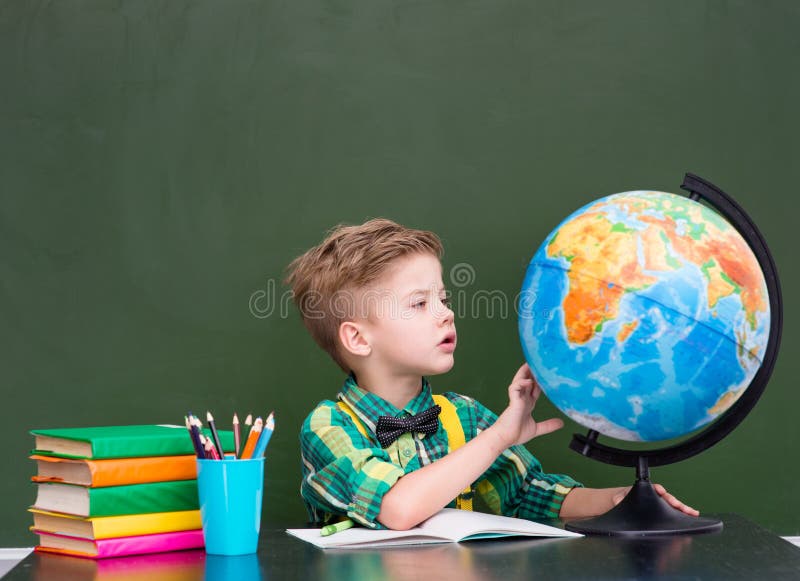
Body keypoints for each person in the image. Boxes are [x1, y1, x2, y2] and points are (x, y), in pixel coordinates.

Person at [285, 218, 698, 530]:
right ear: (358, 339)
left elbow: (530, 495)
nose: (446, 312)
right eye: (418, 304)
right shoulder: (328, 427)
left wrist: (618, 500)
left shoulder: (464, 418)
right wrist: (498, 438)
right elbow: (398, 508)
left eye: (443, 298)